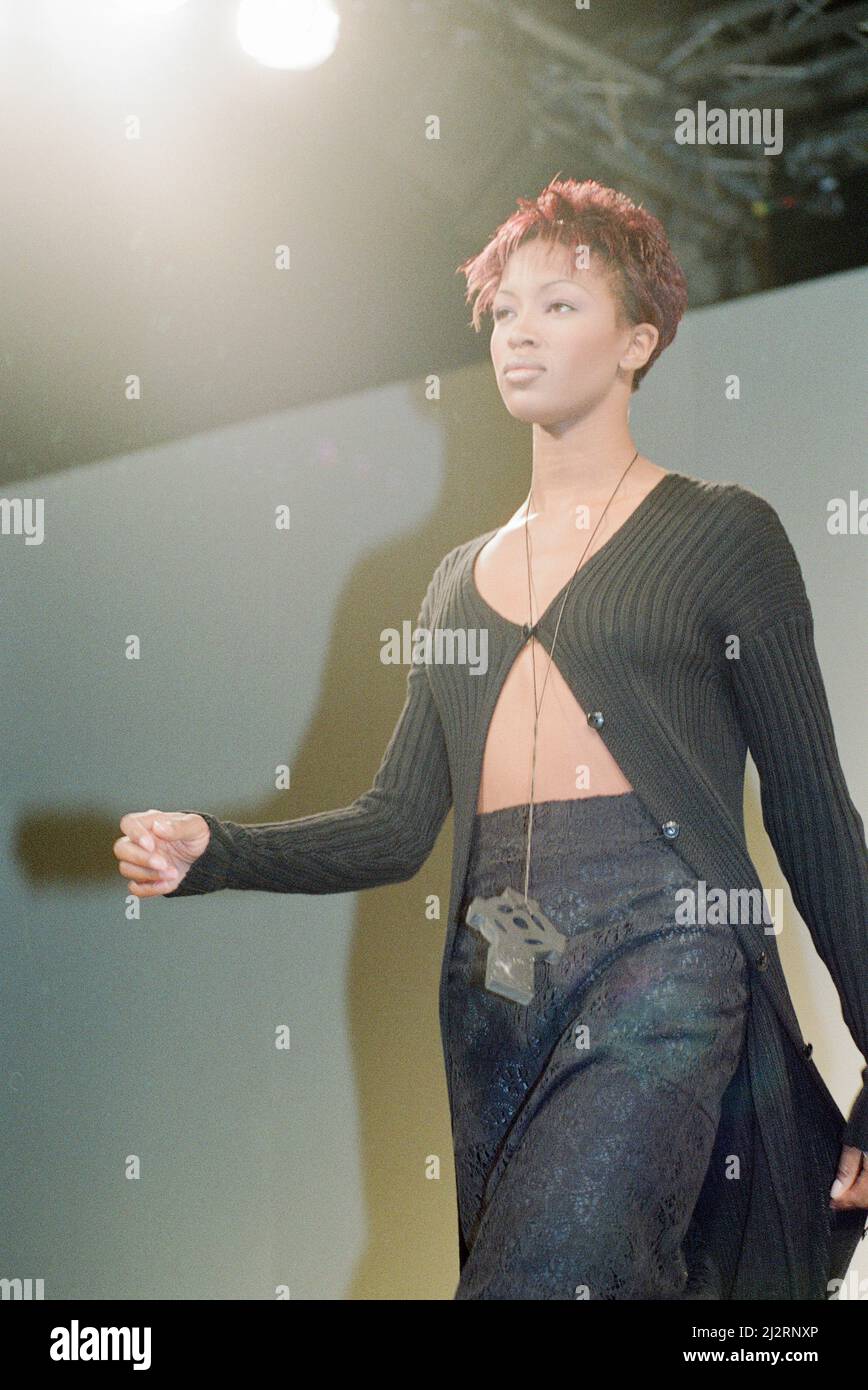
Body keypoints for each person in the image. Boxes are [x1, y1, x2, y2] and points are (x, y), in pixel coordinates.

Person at [114, 176, 868, 1299]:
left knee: (552, 1270)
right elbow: (394, 824)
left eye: (559, 305)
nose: (519, 329)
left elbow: (813, 817)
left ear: (636, 342)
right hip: (495, 985)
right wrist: (215, 851)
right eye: (505, 308)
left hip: (664, 950)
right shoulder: (452, 583)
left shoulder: (720, 532)